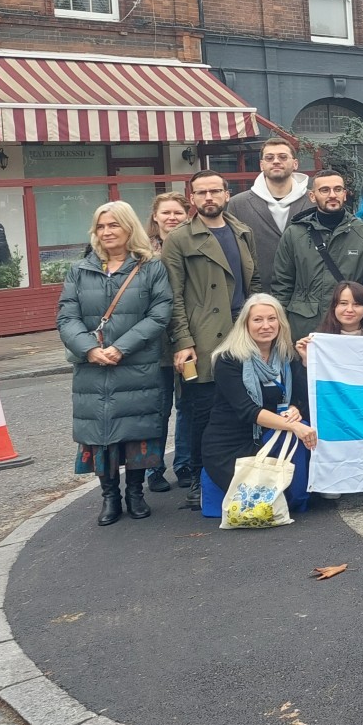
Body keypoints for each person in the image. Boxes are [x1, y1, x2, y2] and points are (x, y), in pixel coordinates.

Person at [57, 201, 174, 526]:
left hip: (136, 363)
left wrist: (121, 347)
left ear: (128, 227)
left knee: (136, 429)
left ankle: (135, 493)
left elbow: (159, 314)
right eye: (101, 226)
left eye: (113, 225)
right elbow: (66, 316)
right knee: (100, 433)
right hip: (92, 367)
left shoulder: (151, 268)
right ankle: (109, 496)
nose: (107, 232)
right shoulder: (79, 270)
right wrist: (89, 349)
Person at [162, 170, 260, 511]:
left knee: (244, 404)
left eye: (215, 191)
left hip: (241, 333)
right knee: (202, 411)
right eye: (201, 192)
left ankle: (242, 471)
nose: (208, 197)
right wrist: (182, 341)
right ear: (192, 198)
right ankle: (199, 479)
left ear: (226, 194)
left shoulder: (242, 232)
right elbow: (172, 296)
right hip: (203, 338)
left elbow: (253, 282)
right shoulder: (179, 239)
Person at [198, 294, 316, 518]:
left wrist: (295, 407)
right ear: (245, 324)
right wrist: (293, 425)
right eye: (258, 320)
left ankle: (299, 494)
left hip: (268, 436)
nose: (266, 326)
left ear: (280, 322)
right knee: (295, 433)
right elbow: (247, 411)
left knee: (304, 428)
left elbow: (302, 399)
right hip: (230, 445)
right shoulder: (228, 359)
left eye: (272, 319)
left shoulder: (286, 355)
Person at [272, 167, 363, 341]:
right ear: (312, 196)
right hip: (304, 327)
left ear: (345, 194)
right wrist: (278, 326)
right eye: (324, 190)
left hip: (351, 327)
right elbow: (282, 285)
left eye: (338, 189)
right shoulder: (294, 234)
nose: (332, 195)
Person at [146, 192, 192, 492]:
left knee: (187, 405)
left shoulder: (192, 246)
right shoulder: (141, 253)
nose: (172, 218)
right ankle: (153, 468)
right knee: (158, 409)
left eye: (178, 212)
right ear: (155, 217)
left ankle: (184, 464)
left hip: (187, 340)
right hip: (155, 345)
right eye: (166, 212)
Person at [226, 137, 313, 287]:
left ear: (295, 164)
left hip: (306, 290)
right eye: (269, 158)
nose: (276, 161)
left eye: (283, 157)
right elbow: (233, 253)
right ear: (261, 165)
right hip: (258, 291)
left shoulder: (314, 201)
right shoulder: (238, 204)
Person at [296, 279, 363, 364]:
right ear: (334, 307)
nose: (349, 309)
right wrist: (307, 358)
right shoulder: (319, 342)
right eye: (343, 303)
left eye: (357, 304)